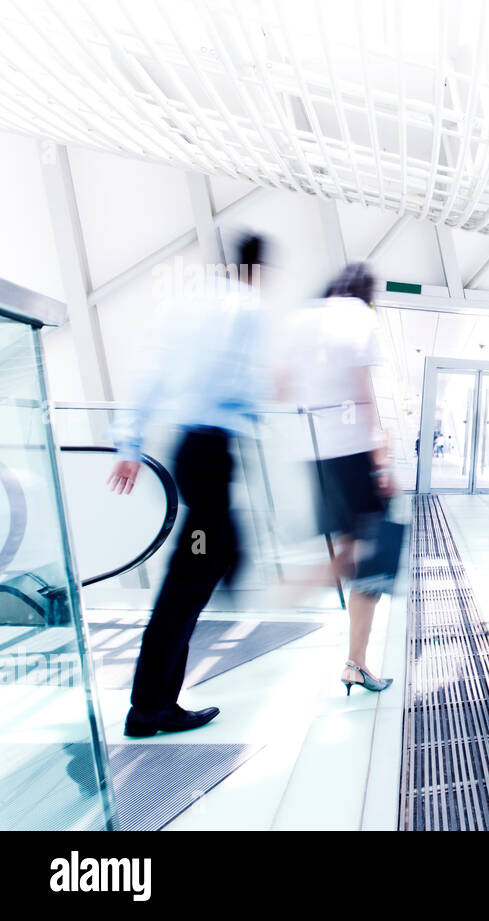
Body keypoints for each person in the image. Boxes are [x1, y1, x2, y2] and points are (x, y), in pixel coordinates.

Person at [107, 234, 271, 737]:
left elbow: (150, 377)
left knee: (198, 566)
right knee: (190, 576)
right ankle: (149, 707)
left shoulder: (186, 308)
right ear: (257, 269)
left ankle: (155, 702)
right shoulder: (246, 308)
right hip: (211, 453)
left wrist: (129, 444)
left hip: (192, 452)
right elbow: (244, 383)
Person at [278, 262, 394, 695]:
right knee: (374, 559)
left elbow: (281, 387)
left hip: (317, 456)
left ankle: (353, 659)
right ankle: (299, 594)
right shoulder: (359, 316)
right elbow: (362, 391)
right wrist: (379, 459)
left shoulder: (301, 318)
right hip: (353, 453)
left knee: (353, 552)